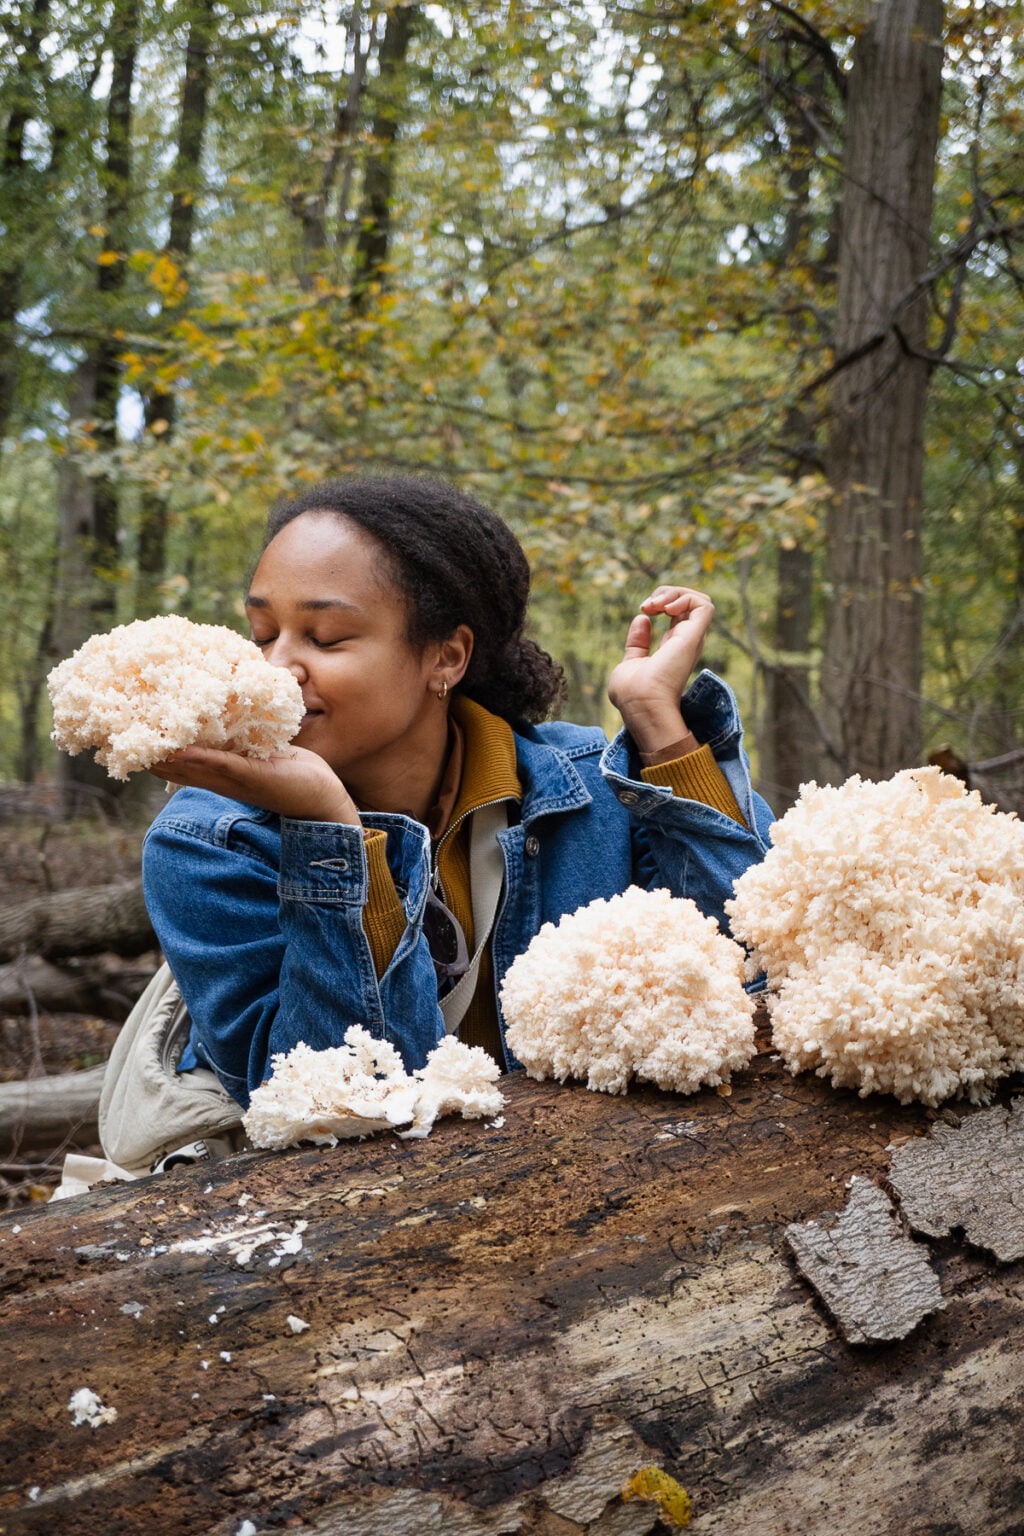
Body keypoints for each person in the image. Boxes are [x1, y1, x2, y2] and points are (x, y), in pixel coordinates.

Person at [145, 474, 774, 1107]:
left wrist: (659, 727)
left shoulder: (591, 787)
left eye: (325, 637)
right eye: (262, 635)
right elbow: (325, 1105)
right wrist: (330, 830)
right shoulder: (208, 843)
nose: (276, 667)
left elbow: (762, 969)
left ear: (446, 657)